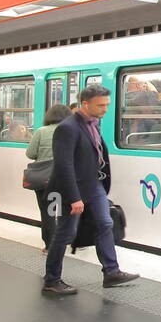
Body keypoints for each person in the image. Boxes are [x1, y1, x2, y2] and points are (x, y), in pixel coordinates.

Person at [42, 85, 139, 296]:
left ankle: (111, 272)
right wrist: (74, 198)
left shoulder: (93, 124)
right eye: (101, 105)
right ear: (85, 104)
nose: (105, 109)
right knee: (65, 234)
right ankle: (51, 280)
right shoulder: (67, 128)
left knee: (106, 223)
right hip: (73, 187)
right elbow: (63, 165)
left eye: (107, 104)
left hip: (93, 185)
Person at [27, 103, 71, 253]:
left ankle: (50, 245)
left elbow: (30, 154)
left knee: (48, 212)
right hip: (65, 178)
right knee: (62, 211)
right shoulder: (70, 131)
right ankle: (67, 240)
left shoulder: (41, 131)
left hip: (44, 178)